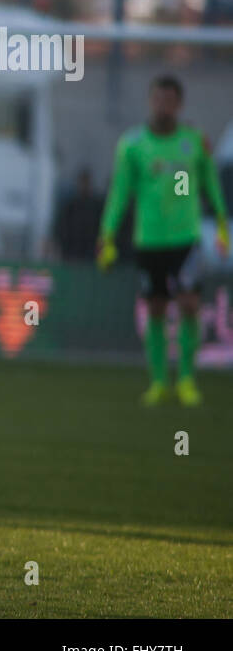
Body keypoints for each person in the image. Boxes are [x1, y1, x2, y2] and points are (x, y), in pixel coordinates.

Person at [97, 75, 229, 406]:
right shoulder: (133, 144)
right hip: (149, 239)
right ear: (149, 101)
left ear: (179, 104)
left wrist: (223, 224)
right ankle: (158, 381)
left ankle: (186, 378)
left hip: (187, 239)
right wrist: (107, 234)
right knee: (156, 308)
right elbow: (119, 193)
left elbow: (210, 185)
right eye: (158, 99)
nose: (163, 106)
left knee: (189, 304)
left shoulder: (194, 141)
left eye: (169, 100)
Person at [53, 167, 103, 263]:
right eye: (82, 182)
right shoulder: (70, 204)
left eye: (86, 182)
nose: (84, 185)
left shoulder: (96, 205)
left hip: (90, 254)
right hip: (71, 253)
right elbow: (62, 228)